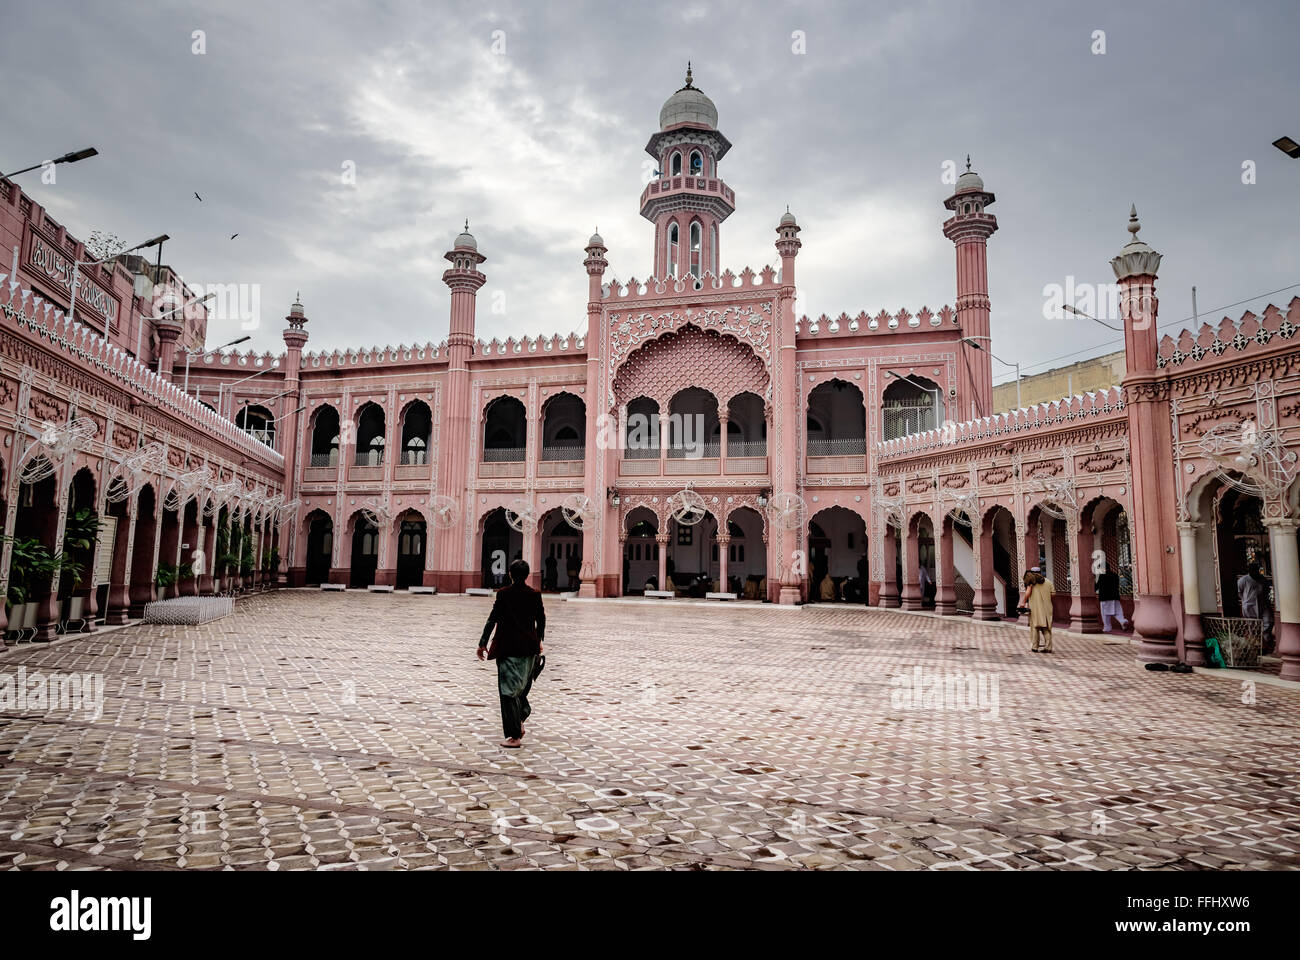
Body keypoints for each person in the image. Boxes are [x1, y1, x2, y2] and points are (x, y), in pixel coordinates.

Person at [476, 559, 545, 749]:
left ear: (510, 574)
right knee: (521, 689)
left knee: (508, 693)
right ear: (527, 575)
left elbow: (492, 620)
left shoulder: (504, 594)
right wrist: (538, 640)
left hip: (508, 649)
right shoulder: (534, 595)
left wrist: (482, 643)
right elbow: (542, 620)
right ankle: (520, 718)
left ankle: (514, 736)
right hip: (529, 651)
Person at [1022, 566, 1055, 653]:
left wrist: (1023, 602)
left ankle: (1035, 647)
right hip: (1047, 608)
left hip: (1036, 608)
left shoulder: (1031, 582)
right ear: (1041, 572)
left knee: (1035, 627)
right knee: (1046, 628)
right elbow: (1053, 594)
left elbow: (1028, 593)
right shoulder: (1048, 582)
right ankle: (1048, 647)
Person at [1096, 564, 1129, 632]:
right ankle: (1122, 621)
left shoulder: (1101, 576)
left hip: (1104, 597)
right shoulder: (1114, 575)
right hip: (1115, 597)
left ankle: (1107, 627)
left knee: (1105, 614)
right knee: (1118, 611)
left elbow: (1096, 586)